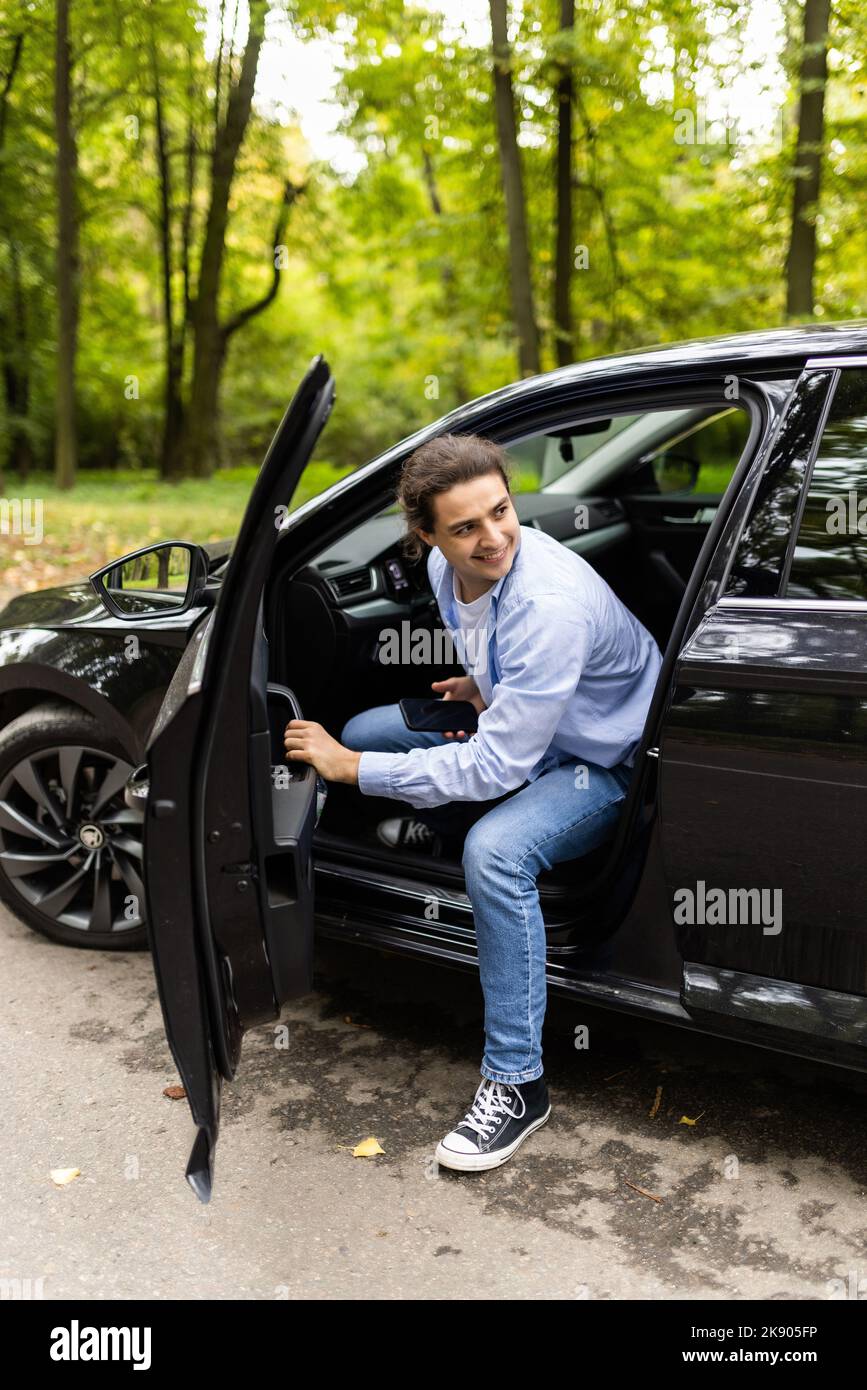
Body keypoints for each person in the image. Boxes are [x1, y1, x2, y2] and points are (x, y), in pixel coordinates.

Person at [283, 433, 662, 1173]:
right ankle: (436, 829)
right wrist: (487, 685)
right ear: (428, 536)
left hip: (605, 762)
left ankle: (517, 1083)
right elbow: (499, 659)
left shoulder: (548, 605)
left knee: (494, 853)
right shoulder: (441, 569)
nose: (493, 538)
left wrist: (352, 771)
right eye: (465, 527)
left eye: (502, 511)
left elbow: (496, 763)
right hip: (533, 723)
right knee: (366, 729)